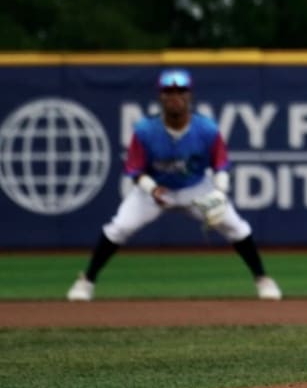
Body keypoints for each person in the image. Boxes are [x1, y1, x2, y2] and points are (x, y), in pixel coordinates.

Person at [66, 68, 283, 301]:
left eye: (180, 91)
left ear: (189, 95)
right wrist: (152, 189)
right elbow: (134, 170)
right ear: (160, 96)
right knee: (119, 228)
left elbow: (221, 164)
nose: (175, 96)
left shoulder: (207, 129)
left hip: (196, 188)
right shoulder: (145, 131)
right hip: (156, 189)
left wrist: (219, 192)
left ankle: (262, 279)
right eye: (169, 91)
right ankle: (86, 281)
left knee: (236, 227)